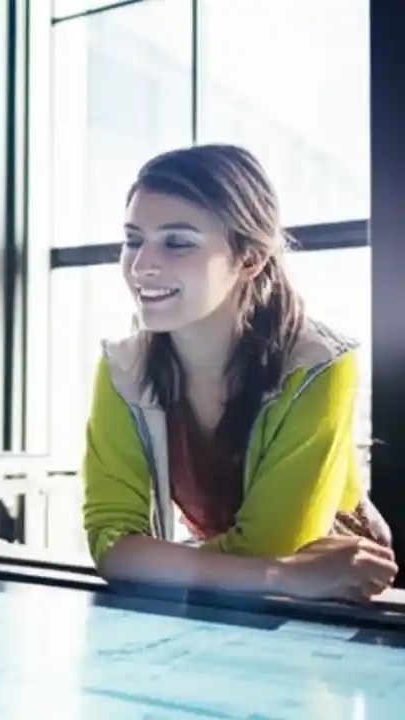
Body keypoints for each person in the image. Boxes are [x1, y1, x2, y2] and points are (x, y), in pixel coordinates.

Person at [82, 144, 396, 603]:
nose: (140, 265)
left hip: (343, 602)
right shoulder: (124, 369)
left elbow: (271, 546)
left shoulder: (318, 365)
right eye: (134, 240)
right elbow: (110, 546)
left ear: (249, 258)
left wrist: (156, 561)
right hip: (258, 594)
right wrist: (278, 573)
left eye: (177, 242)